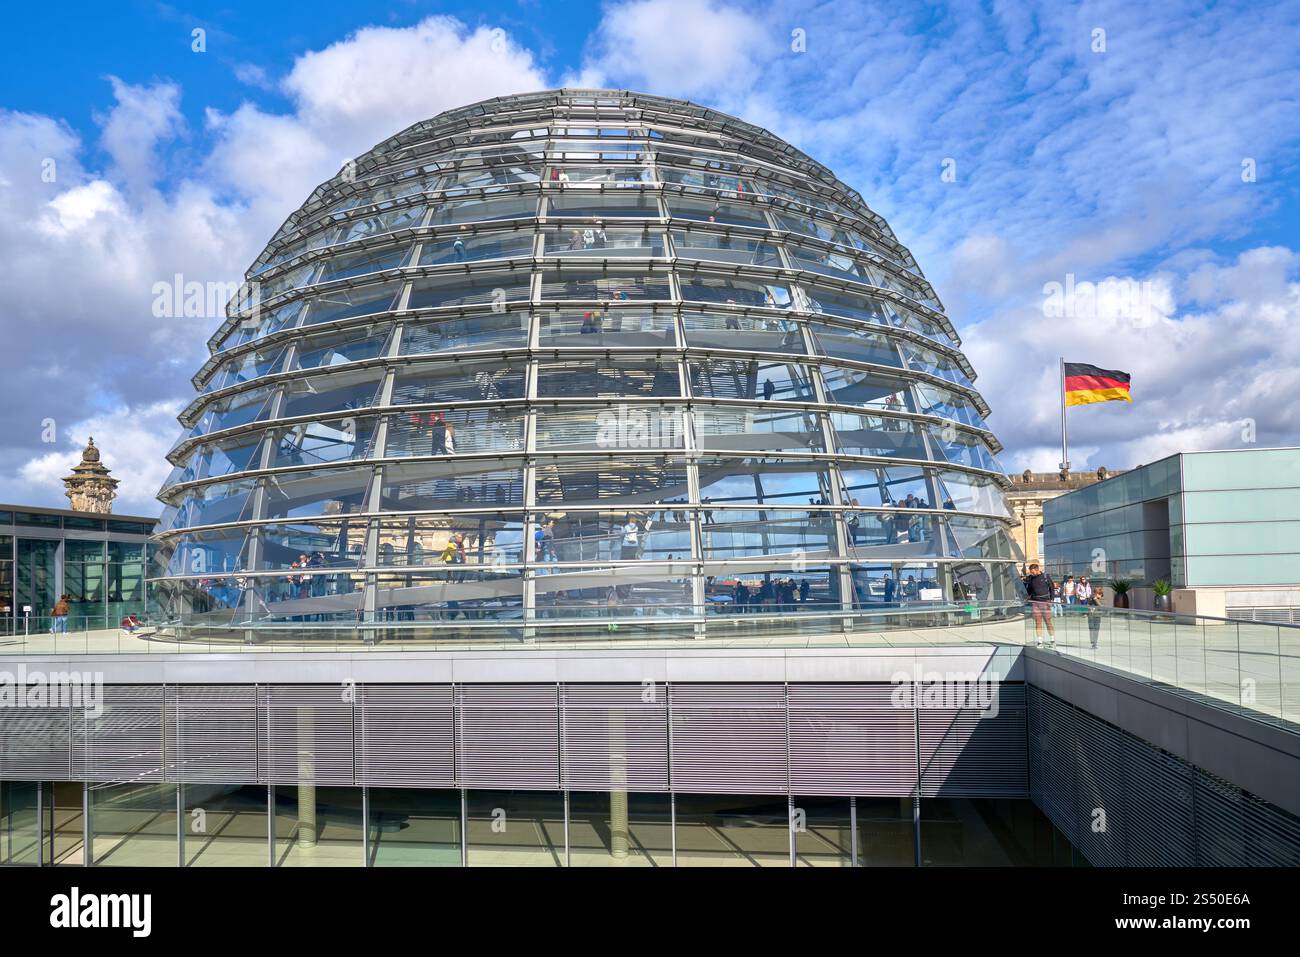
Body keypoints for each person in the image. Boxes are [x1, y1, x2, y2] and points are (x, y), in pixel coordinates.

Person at [1022, 563, 1056, 647]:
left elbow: (1052, 588)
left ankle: (1052, 640)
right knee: (1038, 622)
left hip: (1045, 602)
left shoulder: (1045, 577)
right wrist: (1027, 597)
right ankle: (1040, 641)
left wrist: (1051, 600)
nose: (1031, 573)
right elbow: (1029, 590)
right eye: (1030, 572)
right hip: (1035, 603)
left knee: (1048, 621)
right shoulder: (1031, 578)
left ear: (1037, 570)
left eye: (1033, 572)